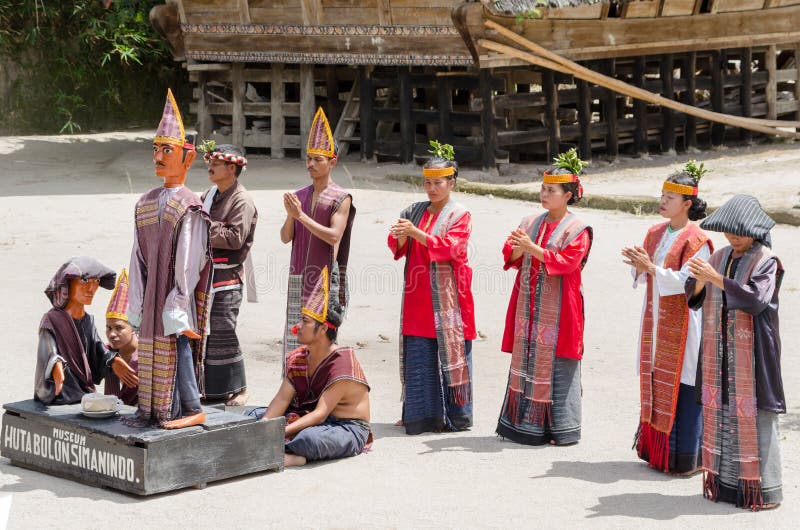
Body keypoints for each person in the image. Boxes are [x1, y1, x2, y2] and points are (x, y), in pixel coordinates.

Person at [686, 194, 785, 510]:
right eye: (728, 232)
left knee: (757, 415)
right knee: (724, 413)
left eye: (738, 233)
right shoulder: (720, 256)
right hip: (719, 351)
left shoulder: (767, 260)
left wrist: (715, 278)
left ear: (755, 230)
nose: (732, 238)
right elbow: (695, 295)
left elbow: (756, 300)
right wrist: (702, 282)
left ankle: (764, 491)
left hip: (753, 353)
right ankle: (727, 487)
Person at [127, 88, 213, 429]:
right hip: (150, 294)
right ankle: (153, 410)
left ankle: (188, 408)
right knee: (151, 346)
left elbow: (189, 261)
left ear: (187, 159)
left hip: (172, 295)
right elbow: (137, 256)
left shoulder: (190, 205)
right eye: (156, 150)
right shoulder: (145, 202)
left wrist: (177, 301)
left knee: (175, 342)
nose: (159, 157)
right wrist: (139, 298)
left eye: (167, 150)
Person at [496, 148, 592, 446]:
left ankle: (561, 429)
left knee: (559, 363)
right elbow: (510, 255)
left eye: (551, 190)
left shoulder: (579, 229)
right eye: (542, 188)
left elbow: (567, 263)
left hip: (562, 307)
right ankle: (521, 425)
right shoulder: (530, 221)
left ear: (568, 194)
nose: (544, 194)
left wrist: (532, 248)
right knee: (526, 358)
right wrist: (519, 247)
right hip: (528, 303)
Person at [622, 163, 712, 474]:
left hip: (684, 322)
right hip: (655, 319)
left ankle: (685, 456)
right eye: (662, 195)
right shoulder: (655, 232)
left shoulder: (697, 240)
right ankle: (655, 452)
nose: (662, 201)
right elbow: (646, 275)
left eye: (670, 197)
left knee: (684, 383)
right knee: (654, 378)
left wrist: (650, 268)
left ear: (687, 204)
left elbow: (687, 282)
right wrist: (637, 264)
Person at [388, 142, 475, 435]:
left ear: (451, 182)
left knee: (451, 352)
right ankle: (419, 415)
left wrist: (416, 233)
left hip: (449, 293)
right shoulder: (413, 210)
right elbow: (398, 247)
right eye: (427, 182)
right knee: (419, 353)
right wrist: (402, 236)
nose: (432, 188)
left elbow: (454, 248)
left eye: (438, 182)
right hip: (417, 293)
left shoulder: (459, 214)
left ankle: (455, 417)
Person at [263, 266, 371, 467]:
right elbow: (281, 399)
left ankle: (295, 455)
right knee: (254, 417)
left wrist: (277, 433)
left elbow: (321, 413)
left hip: (346, 427)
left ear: (322, 329)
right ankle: (280, 447)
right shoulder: (299, 357)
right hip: (312, 416)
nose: (298, 326)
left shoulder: (343, 361)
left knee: (308, 439)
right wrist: (263, 427)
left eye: (305, 321)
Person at [280, 107, 355, 360]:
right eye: (308, 158)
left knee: (320, 341)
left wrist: (301, 215)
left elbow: (334, 236)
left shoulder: (340, 197)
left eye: (318, 159)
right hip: (298, 274)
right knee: (295, 339)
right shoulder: (300, 194)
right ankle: (294, 394)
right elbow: (285, 237)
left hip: (323, 277)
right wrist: (292, 214)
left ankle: (320, 393)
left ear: (332, 162)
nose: (311, 164)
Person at [200, 143, 258, 406]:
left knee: (225, 331)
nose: (210, 167)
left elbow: (235, 238)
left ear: (232, 168)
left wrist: (202, 226)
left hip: (228, 277)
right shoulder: (209, 194)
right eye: (209, 161)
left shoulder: (242, 199)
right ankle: (214, 389)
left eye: (217, 163)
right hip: (206, 275)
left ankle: (240, 388)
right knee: (206, 333)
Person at [35, 257, 136, 405]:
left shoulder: (88, 320)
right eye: (85, 281)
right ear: (67, 285)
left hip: (84, 392)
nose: (92, 289)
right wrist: (55, 365)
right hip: (61, 393)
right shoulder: (52, 320)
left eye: (96, 282)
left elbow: (98, 350)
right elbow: (48, 350)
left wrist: (112, 360)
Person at [104, 268, 139, 406]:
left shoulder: (147, 356)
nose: (112, 334)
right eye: (108, 328)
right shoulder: (107, 352)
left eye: (119, 328)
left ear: (133, 328)